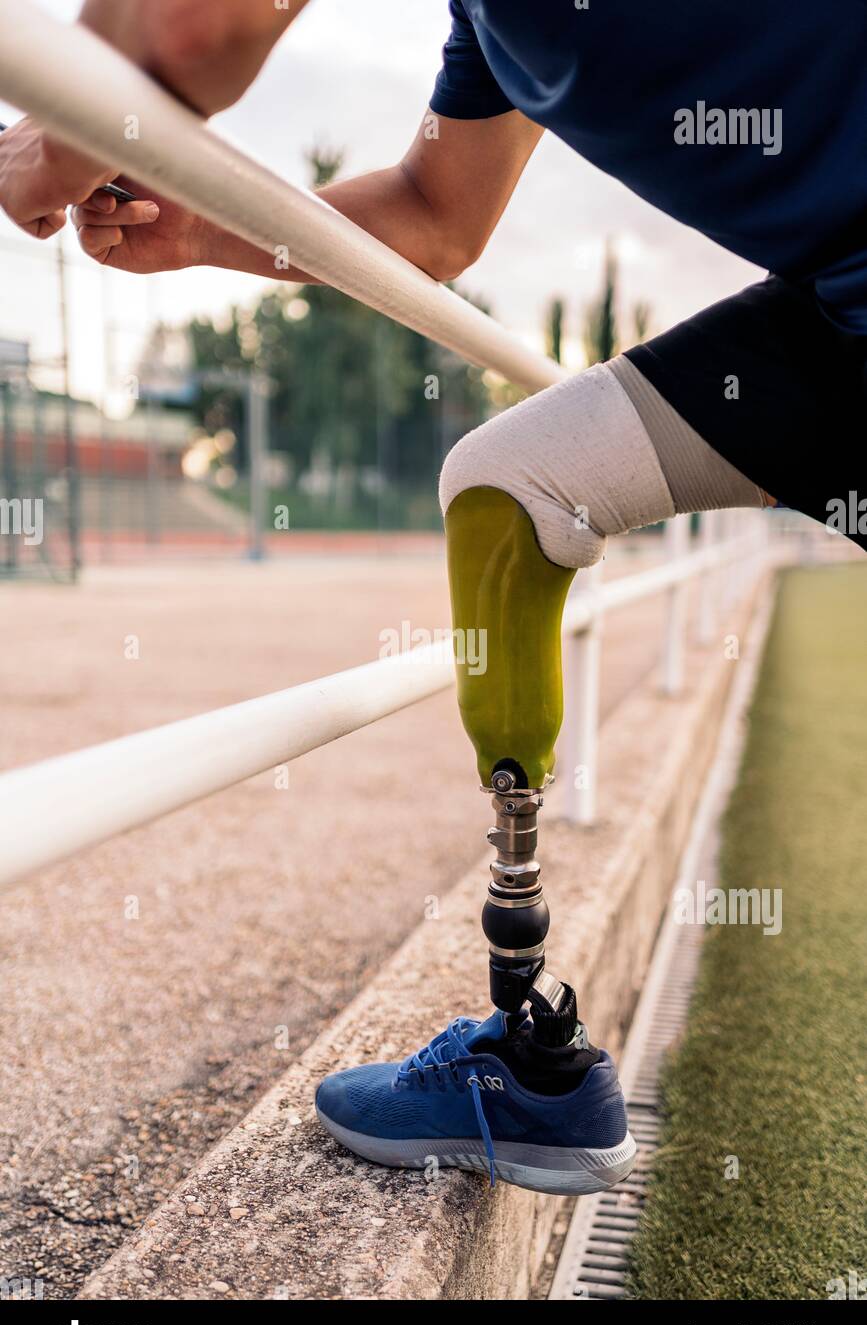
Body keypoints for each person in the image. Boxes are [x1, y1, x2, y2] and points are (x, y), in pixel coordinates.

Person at [2, 0, 865, 1194]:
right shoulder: (488, 27)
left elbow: (194, 29)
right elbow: (439, 214)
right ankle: (528, 1053)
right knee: (512, 485)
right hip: (846, 314)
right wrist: (209, 227)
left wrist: (50, 138)